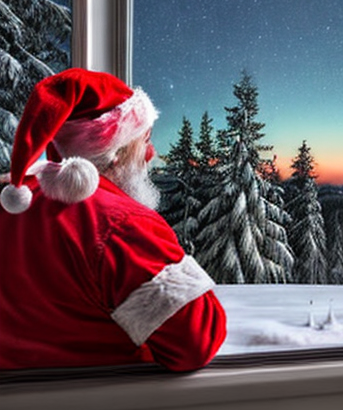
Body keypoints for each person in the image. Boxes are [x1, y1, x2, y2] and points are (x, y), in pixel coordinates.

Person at [0, 68, 226, 372]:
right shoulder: (123, 226)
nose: (151, 153)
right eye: (144, 139)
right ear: (115, 151)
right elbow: (199, 340)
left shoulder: (13, 201)